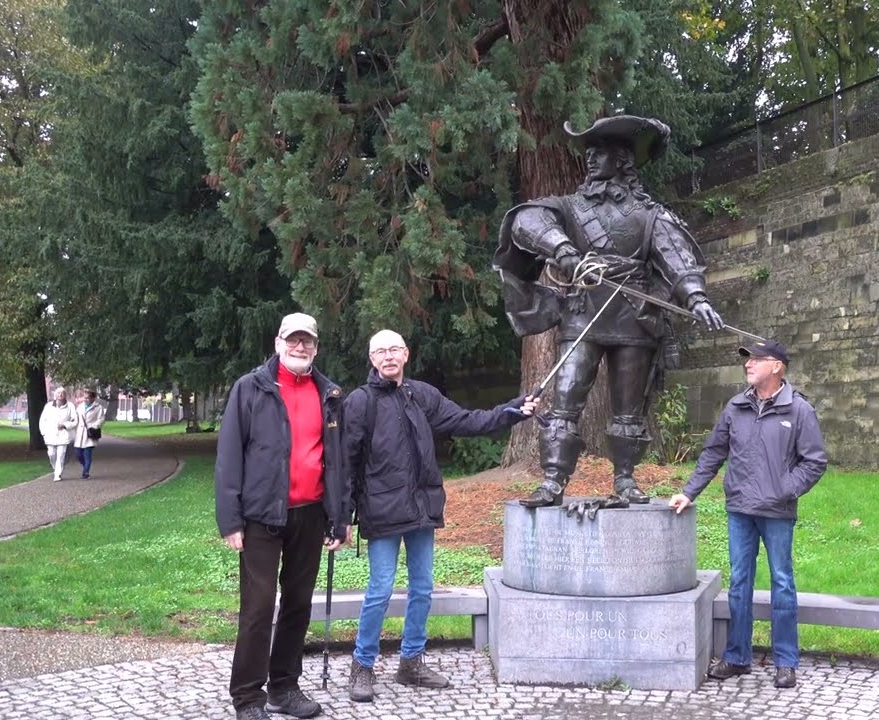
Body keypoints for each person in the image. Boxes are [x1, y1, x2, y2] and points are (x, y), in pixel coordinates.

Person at [493, 114, 724, 508]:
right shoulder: (569, 207)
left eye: (600, 153)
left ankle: (625, 479)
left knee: (629, 409)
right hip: (583, 312)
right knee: (564, 399)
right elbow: (524, 219)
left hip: (636, 317)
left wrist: (696, 298)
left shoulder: (650, 214)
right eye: (589, 152)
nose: (591, 159)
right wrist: (564, 252)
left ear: (622, 160)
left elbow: (677, 258)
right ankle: (552, 481)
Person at [343, 329, 537, 703]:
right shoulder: (360, 402)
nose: (388, 356)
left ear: (406, 354)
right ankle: (362, 665)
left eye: (394, 349)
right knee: (380, 589)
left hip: (421, 508)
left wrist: (511, 411)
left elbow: (466, 421)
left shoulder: (422, 395)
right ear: (371, 359)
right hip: (381, 511)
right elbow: (346, 463)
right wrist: (339, 518)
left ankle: (411, 661)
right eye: (380, 351)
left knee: (422, 587)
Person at [668, 340, 827, 689]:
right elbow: (713, 453)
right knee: (740, 582)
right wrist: (689, 491)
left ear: (777, 366)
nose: (748, 364)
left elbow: (815, 462)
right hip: (740, 508)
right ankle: (738, 656)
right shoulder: (735, 407)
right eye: (747, 359)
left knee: (782, 582)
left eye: (756, 359)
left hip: (777, 511)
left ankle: (786, 661)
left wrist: (785, 489)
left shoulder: (798, 410)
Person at [214, 312, 349, 720]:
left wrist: (338, 516)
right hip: (260, 517)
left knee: (297, 604)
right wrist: (230, 519)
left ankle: (284, 688)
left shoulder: (329, 393)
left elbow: (336, 460)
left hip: (309, 515)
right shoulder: (250, 388)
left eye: (307, 341)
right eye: (293, 340)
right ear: (278, 343)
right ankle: (249, 698)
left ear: (316, 347)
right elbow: (229, 456)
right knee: (257, 608)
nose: (300, 347)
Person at [38, 386, 78, 482]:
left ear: (65, 395)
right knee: (51, 454)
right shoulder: (48, 406)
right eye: (58, 393)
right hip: (50, 434)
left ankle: (57, 474)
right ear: (55, 395)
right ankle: (55, 468)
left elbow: (75, 420)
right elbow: (42, 420)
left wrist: (65, 425)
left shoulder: (70, 406)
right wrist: (43, 432)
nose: (60, 395)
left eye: (62, 393)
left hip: (63, 434)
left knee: (61, 455)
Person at [72, 389, 106, 479]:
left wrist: (95, 426)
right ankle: (85, 467)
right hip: (80, 433)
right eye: (84, 397)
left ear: (93, 398)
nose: (85, 399)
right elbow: (75, 418)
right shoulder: (79, 407)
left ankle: (86, 472)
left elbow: (101, 419)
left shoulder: (98, 407)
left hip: (90, 433)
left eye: (87, 398)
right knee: (78, 454)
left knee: (87, 454)